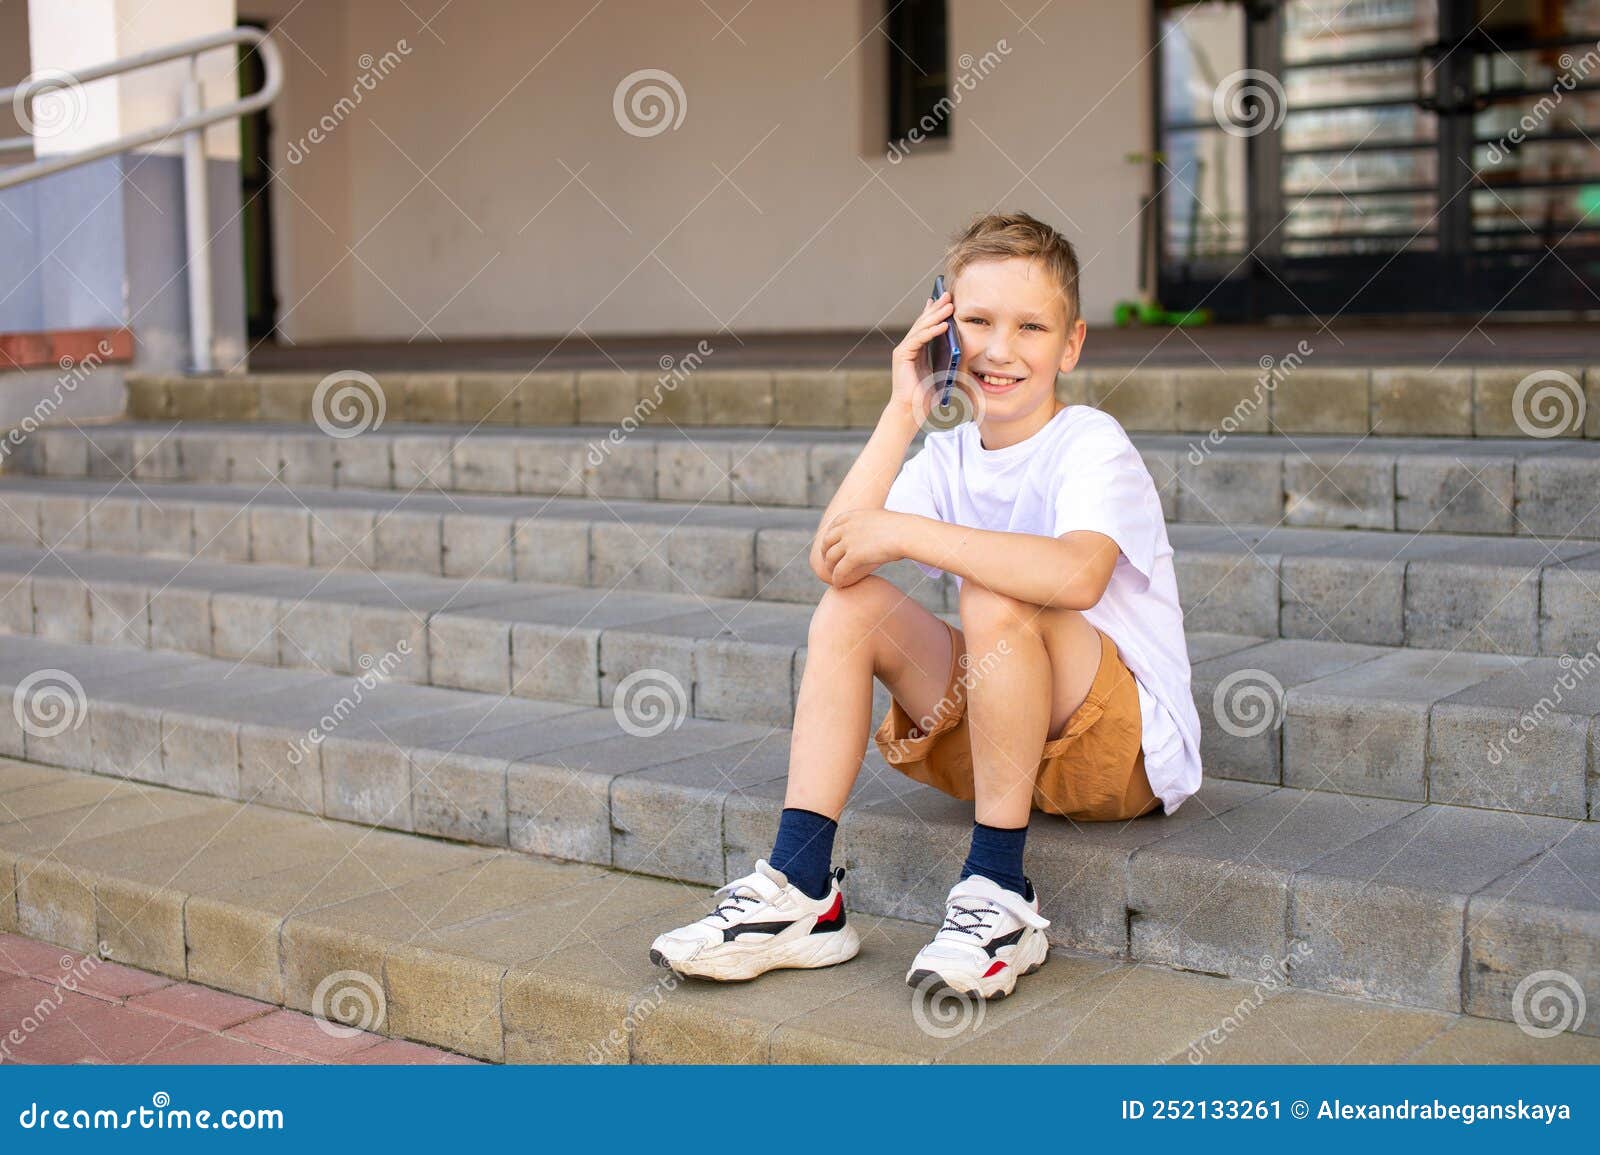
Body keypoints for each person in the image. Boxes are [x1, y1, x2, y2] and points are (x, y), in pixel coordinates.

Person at [648, 210, 1201, 1001]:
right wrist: (903, 409)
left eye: (1030, 326)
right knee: (850, 608)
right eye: (976, 321)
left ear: (1071, 344)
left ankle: (999, 893)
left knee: (995, 590)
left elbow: (1078, 576)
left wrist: (910, 530)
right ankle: (804, 891)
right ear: (943, 327)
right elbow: (832, 557)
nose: (1001, 349)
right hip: (1007, 736)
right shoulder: (947, 452)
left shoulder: (1091, 441)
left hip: (1122, 750)